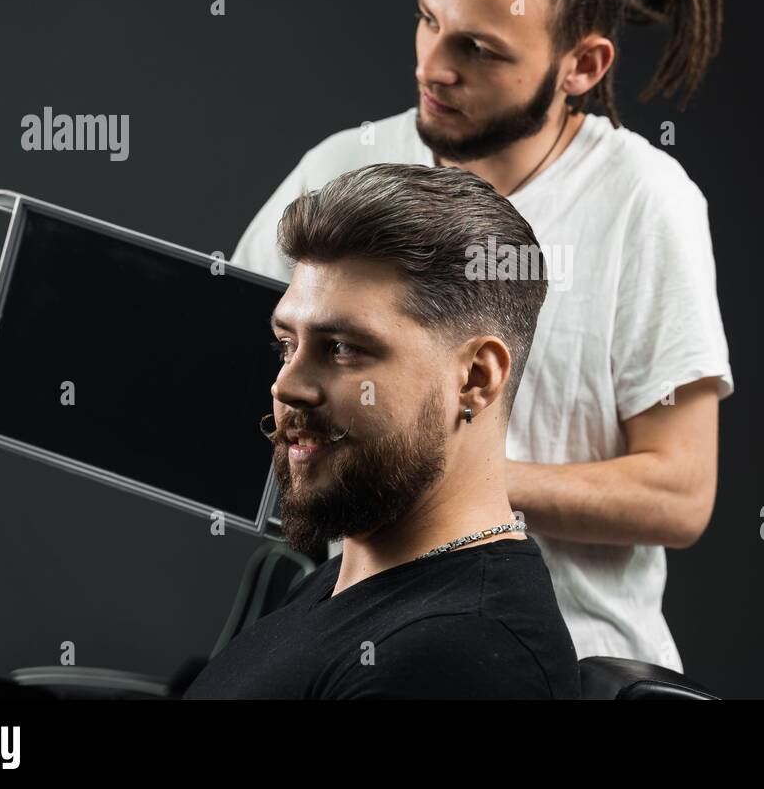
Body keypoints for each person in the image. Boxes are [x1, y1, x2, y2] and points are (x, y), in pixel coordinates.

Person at [0, 0, 732, 673]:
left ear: (582, 65)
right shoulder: (344, 165)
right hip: (352, 645)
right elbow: (228, 392)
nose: (432, 67)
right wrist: (25, 358)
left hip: (556, 666)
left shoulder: (645, 202)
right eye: (427, 19)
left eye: (480, 50)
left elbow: (679, 492)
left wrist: (441, 476)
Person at [184, 162, 579, 698]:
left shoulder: (459, 659)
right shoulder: (346, 581)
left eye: (342, 348)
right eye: (286, 345)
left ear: (475, 378)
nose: (286, 387)